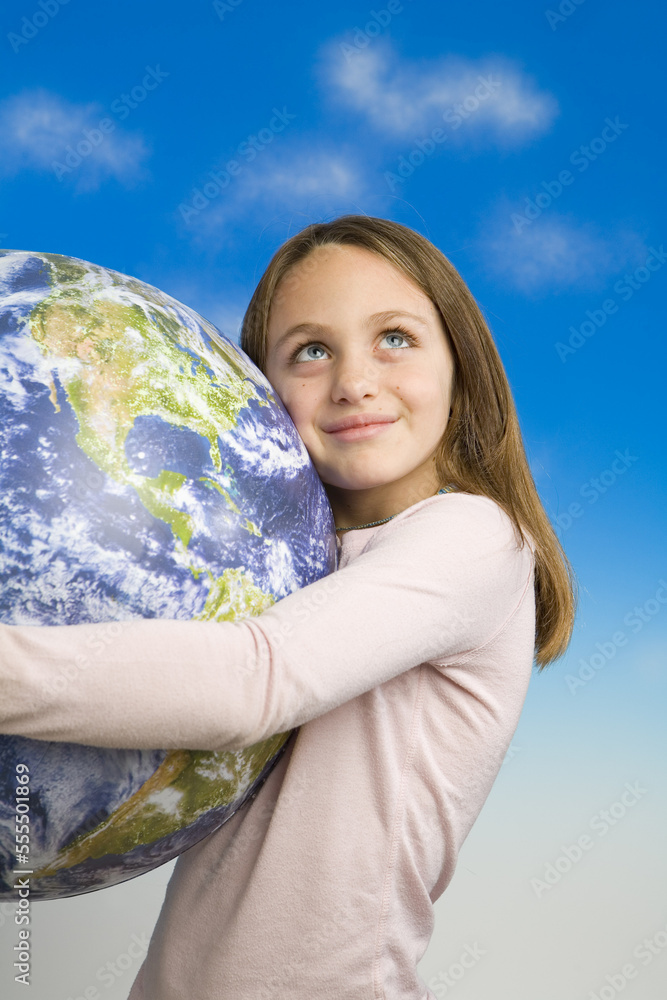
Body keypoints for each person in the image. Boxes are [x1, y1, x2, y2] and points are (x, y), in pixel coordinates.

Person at [0, 215, 577, 999]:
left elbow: (254, 682)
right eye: (311, 350)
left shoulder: (473, 539)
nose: (352, 382)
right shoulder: (289, 569)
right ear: (258, 397)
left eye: (395, 338)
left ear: (460, 366)